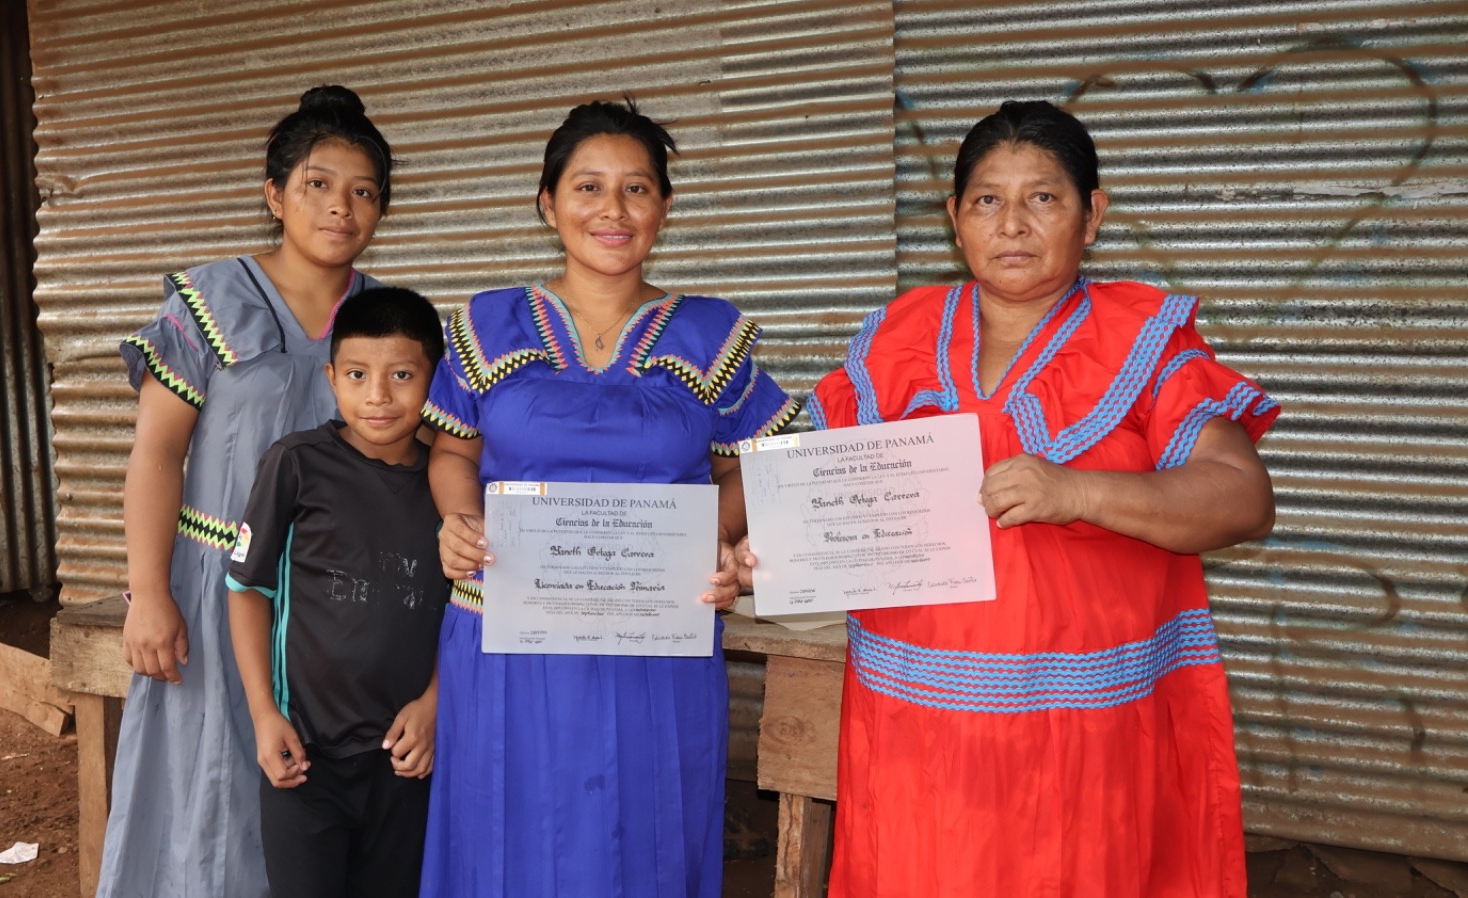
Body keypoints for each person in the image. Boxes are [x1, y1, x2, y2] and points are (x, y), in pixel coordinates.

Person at [806, 100, 1278, 897]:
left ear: (1092, 215)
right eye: (989, 199)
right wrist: (758, 547)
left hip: (1087, 740)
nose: (1013, 223)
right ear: (956, 219)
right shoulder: (898, 336)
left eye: (1044, 197)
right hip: (914, 731)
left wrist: (1079, 489)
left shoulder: (1143, 337)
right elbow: (807, 483)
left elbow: (1242, 499)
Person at [420, 98, 800, 897]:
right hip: (507, 633)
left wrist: (719, 534)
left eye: (636, 188)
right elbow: (455, 449)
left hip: (653, 637)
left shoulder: (710, 334)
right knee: (505, 836)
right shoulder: (486, 326)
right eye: (588, 187)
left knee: (647, 834)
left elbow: (760, 461)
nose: (612, 209)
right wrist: (460, 518)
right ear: (547, 202)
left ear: (664, 206)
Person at [105, 85, 395, 898]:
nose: (341, 206)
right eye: (318, 183)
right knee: (210, 784)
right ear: (274, 194)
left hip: (338, 601)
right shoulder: (208, 299)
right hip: (213, 586)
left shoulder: (384, 316)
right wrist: (149, 593)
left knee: (319, 794)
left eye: (364, 191)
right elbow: (158, 454)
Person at [226, 286, 449, 898]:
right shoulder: (296, 464)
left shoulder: (450, 484)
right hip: (305, 758)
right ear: (331, 377)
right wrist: (264, 716)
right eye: (357, 374)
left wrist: (436, 703)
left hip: (406, 758)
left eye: (402, 374)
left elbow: (471, 608)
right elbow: (246, 590)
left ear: (437, 378)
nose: (378, 395)